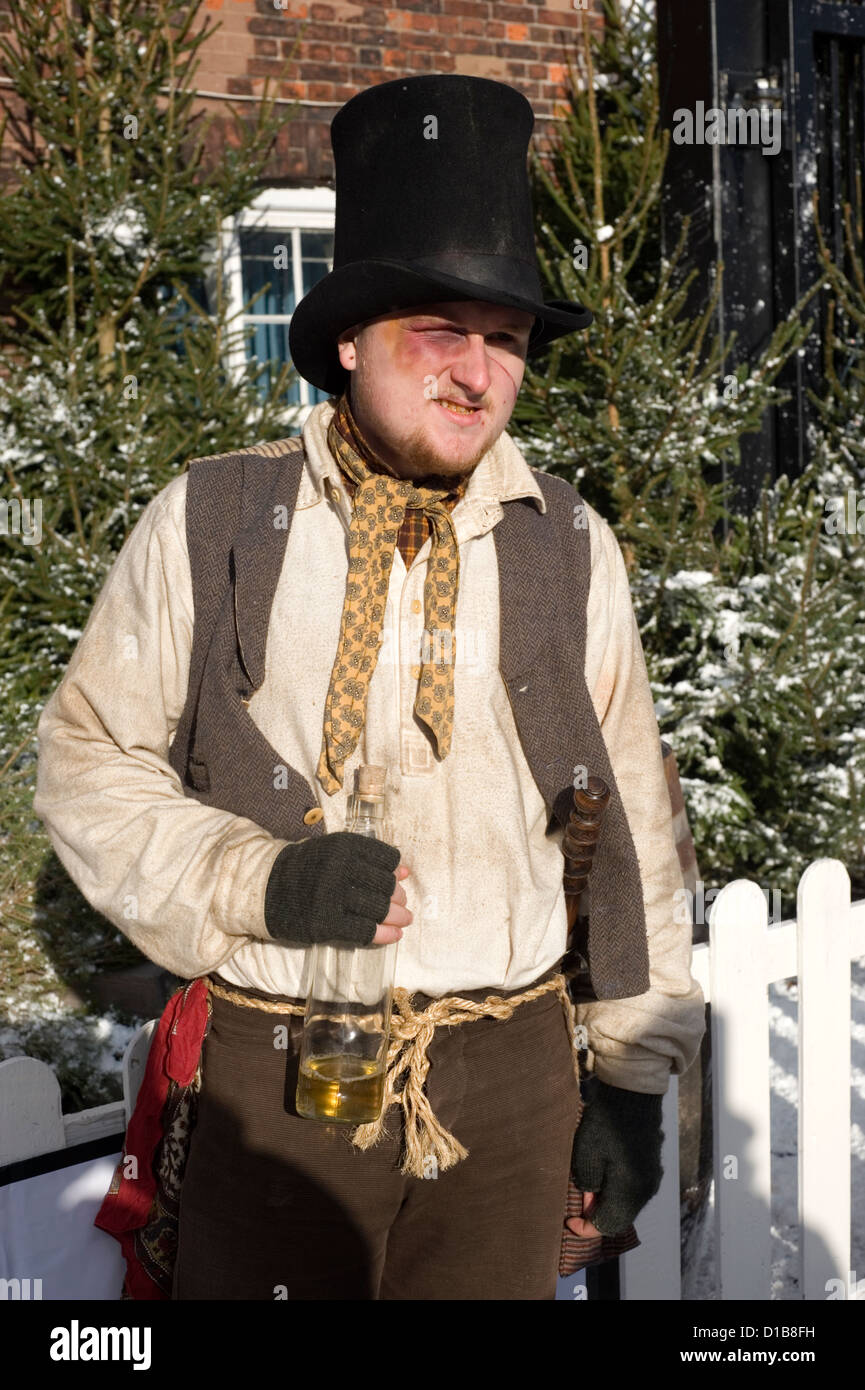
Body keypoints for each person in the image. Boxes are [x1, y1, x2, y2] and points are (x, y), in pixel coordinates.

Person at [33, 74, 705, 1301]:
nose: (475, 373)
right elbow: (86, 761)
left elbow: (634, 836)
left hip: (507, 1088)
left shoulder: (567, 540)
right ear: (349, 341)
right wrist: (260, 875)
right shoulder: (214, 519)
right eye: (438, 332)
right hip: (278, 1074)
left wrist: (629, 1089)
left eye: (502, 340)